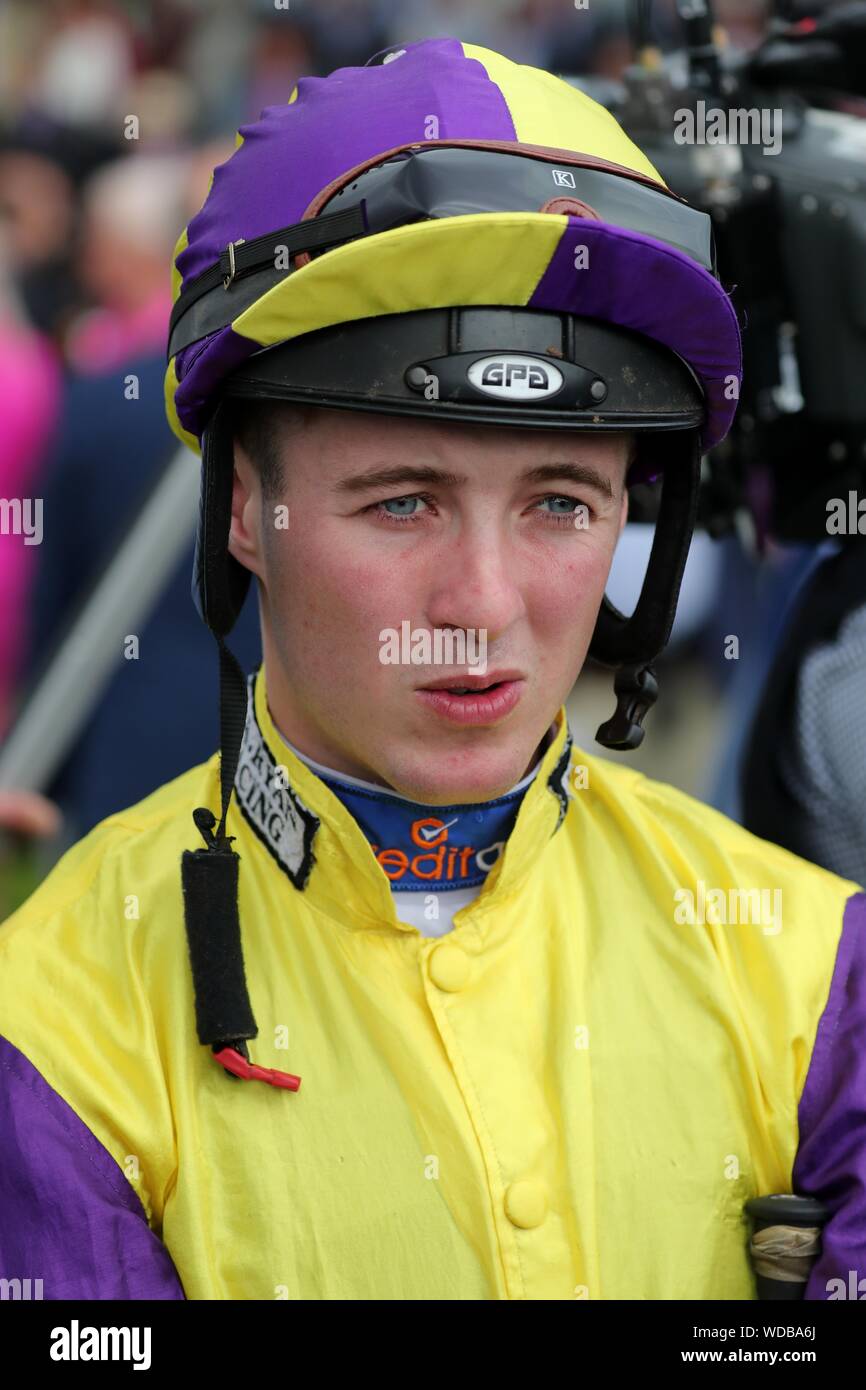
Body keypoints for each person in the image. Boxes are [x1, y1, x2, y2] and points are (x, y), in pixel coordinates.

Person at [0, 38, 863, 1302]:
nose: (482, 604)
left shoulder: (818, 963)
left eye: (562, 504)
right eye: (401, 503)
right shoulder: (49, 1021)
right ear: (245, 506)